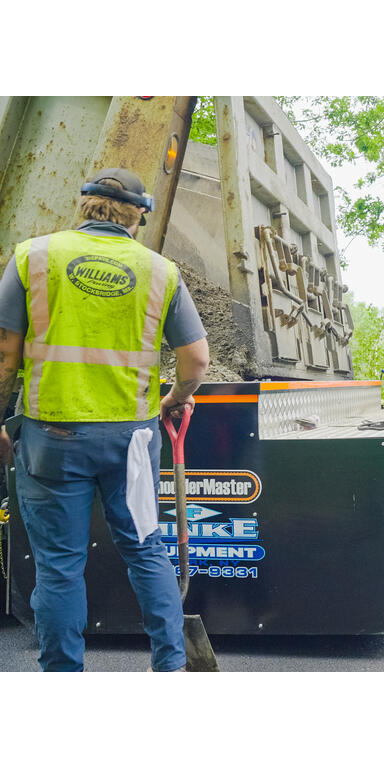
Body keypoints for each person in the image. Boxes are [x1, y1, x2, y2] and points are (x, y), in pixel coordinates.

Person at [0, 168, 210, 672]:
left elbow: (6, 355)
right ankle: (170, 666)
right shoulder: (161, 270)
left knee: (58, 570)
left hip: (51, 436)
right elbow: (198, 359)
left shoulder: (33, 257)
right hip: (132, 441)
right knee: (146, 550)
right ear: (139, 213)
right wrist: (176, 397)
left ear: (85, 204)